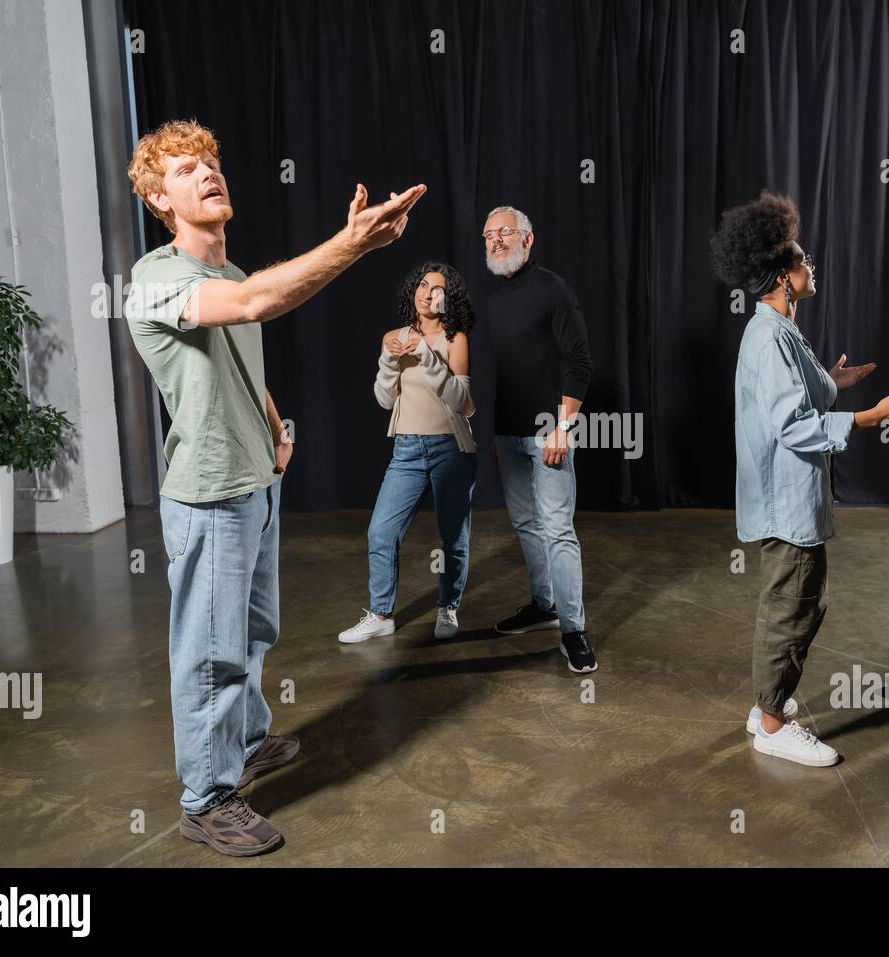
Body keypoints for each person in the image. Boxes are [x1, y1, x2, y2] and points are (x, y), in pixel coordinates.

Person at [125, 118, 424, 856]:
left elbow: (243, 344)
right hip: (207, 494)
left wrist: (275, 427)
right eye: (186, 168)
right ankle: (207, 796)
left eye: (211, 162)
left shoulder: (228, 275)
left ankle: (246, 742)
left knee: (253, 633)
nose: (207, 173)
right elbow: (259, 305)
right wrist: (352, 243)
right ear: (161, 198)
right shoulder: (155, 278)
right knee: (210, 650)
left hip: (256, 479)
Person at [710, 190, 889, 768]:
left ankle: (766, 709)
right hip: (788, 500)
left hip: (794, 496)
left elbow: (796, 395)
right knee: (792, 606)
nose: (812, 268)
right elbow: (791, 425)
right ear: (784, 276)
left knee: (795, 600)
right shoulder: (768, 336)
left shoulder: (780, 330)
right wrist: (873, 416)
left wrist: (834, 378)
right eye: (803, 261)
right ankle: (774, 722)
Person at [481, 206, 598, 673]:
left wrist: (563, 425)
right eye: (488, 235)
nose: (495, 241)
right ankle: (543, 604)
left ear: (528, 239)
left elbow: (580, 361)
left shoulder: (553, 288)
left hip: (549, 433)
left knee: (558, 531)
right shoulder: (493, 299)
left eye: (505, 233)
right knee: (527, 525)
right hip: (507, 433)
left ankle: (573, 629)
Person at [338, 262, 478, 643]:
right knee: (381, 532)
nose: (427, 293)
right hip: (406, 449)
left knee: (453, 538)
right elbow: (384, 399)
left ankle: (448, 607)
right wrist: (390, 361)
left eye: (437, 288)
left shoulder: (455, 339)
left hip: (451, 448)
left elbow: (463, 403)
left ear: (449, 298)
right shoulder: (393, 337)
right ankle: (382, 615)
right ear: (412, 291)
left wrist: (429, 359)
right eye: (422, 285)